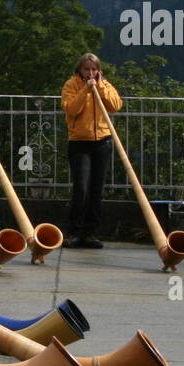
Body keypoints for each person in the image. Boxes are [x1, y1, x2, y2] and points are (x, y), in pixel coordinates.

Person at [60, 53, 123, 248]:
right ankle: (74, 232)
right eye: (86, 69)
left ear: (99, 70)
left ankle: (90, 233)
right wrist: (86, 90)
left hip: (102, 142)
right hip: (79, 142)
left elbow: (116, 106)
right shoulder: (71, 85)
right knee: (81, 189)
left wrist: (101, 86)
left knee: (96, 190)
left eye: (93, 69)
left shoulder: (105, 84)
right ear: (79, 69)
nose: (90, 73)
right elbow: (71, 109)